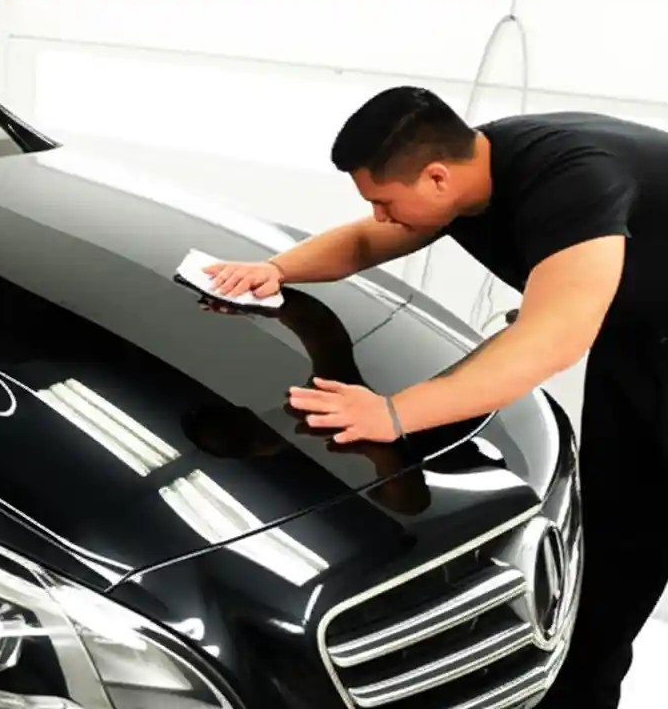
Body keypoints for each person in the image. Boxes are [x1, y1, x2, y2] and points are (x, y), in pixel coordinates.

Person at [203, 85, 668, 709]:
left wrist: (392, 413)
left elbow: (550, 342)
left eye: (385, 202)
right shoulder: (477, 169)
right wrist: (278, 269)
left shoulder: (571, 182)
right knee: (614, 542)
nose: (382, 217)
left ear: (437, 177)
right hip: (640, 341)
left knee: (636, 542)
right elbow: (367, 242)